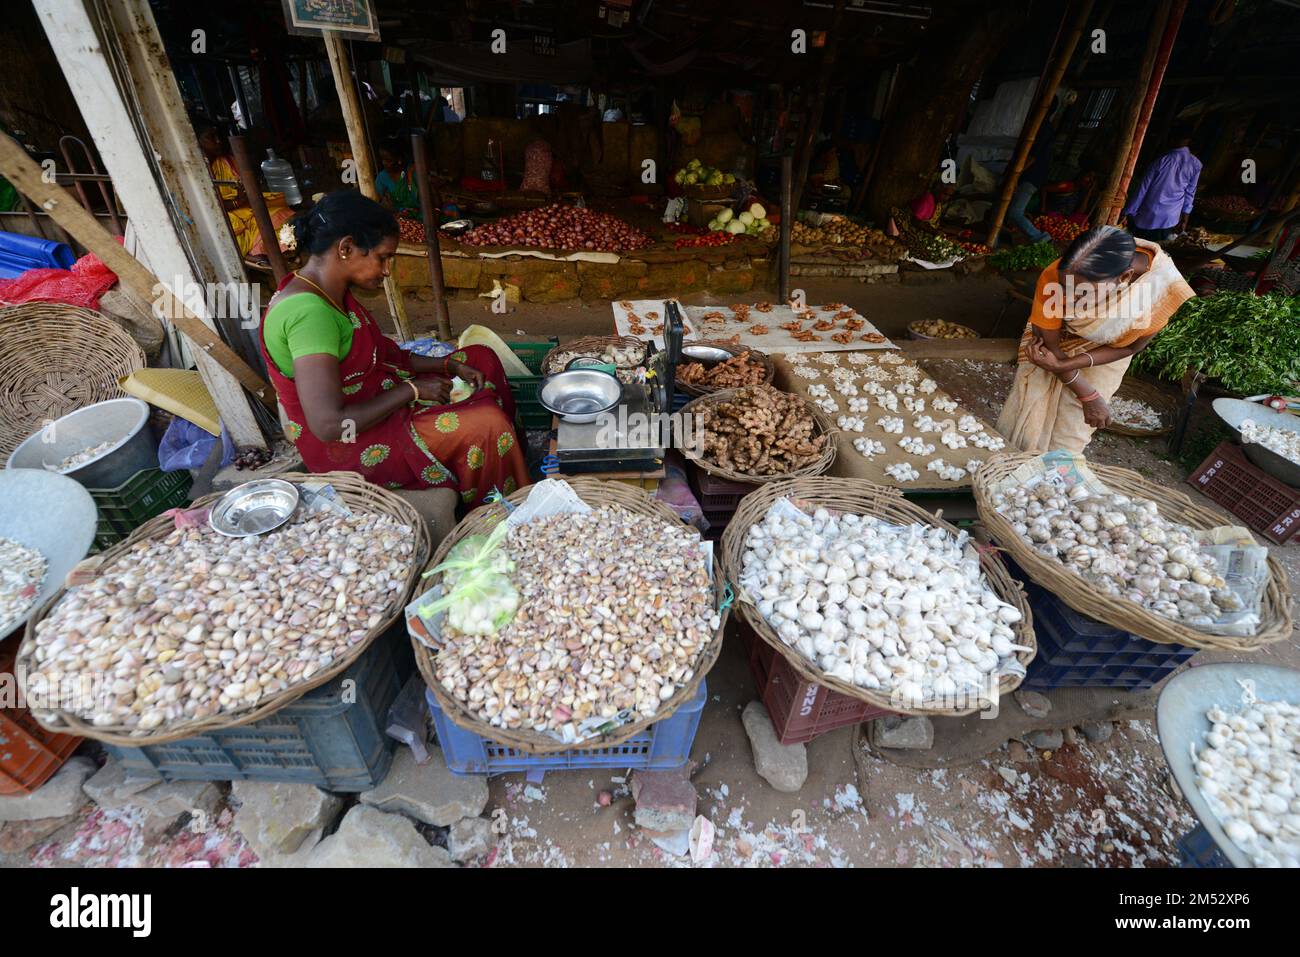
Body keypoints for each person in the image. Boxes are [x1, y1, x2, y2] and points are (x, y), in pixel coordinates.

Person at [260, 190, 529, 504]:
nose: (387, 271)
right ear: (346, 248)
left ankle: (509, 462)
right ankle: (496, 510)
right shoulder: (309, 314)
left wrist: (449, 366)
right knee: (486, 424)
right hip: (355, 443)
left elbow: (384, 354)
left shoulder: (327, 292)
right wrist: (412, 391)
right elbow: (331, 424)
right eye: (382, 257)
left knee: (481, 356)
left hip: (377, 399)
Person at [996, 225, 1195, 454]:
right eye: (1065, 287)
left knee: (1072, 434)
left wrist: (1068, 370)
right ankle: (1012, 471)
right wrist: (1087, 394)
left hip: (1110, 353)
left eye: (1082, 293)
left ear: (1125, 277)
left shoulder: (1157, 286)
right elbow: (1050, 346)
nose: (1070, 296)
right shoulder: (1059, 275)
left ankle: (1052, 478)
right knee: (1028, 417)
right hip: (1056, 345)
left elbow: (1132, 346)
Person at [197, 124, 295, 260]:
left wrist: (242, 197)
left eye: (218, 136)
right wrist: (236, 202)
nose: (218, 141)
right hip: (226, 215)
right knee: (229, 229)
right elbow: (208, 208)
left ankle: (267, 252)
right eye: (210, 137)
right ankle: (253, 255)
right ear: (197, 141)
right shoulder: (196, 172)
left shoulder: (227, 161)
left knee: (278, 214)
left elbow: (246, 188)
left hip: (244, 207)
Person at [1122, 129, 1202, 242]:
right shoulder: (1196, 164)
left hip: (1147, 215)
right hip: (1170, 218)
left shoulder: (1161, 160)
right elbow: (1190, 194)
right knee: (1156, 251)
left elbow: (1142, 189)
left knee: (1137, 246)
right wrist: (1184, 219)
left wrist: (1128, 212)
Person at [1002, 115, 1058, 245]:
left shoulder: (1042, 129)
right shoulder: (1044, 128)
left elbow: (1033, 157)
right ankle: (1003, 236)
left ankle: (1041, 237)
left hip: (1031, 177)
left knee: (1015, 212)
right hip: (1032, 177)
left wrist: (1015, 174)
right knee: (1009, 209)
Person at [376, 146, 423, 218]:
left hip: (419, 215)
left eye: (388, 160)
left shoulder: (412, 172)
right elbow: (377, 202)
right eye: (382, 160)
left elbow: (425, 198)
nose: (384, 163)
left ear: (399, 160)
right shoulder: (381, 178)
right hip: (397, 218)